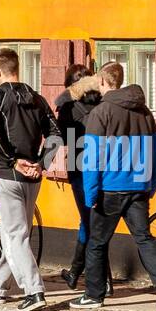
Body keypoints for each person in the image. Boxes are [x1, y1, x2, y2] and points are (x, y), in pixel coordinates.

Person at [69, 61, 156, 311]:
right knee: (144, 237)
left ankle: (94, 295)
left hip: (110, 188)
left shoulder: (101, 112)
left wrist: (90, 194)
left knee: (97, 242)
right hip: (138, 186)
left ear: (104, 82)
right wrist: (149, 185)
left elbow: (92, 157)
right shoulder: (144, 111)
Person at [0, 48, 62, 311]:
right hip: (33, 177)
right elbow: (56, 133)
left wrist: (14, 160)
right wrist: (42, 163)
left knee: (15, 235)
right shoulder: (36, 98)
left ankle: (34, 291)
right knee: (18, 234)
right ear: (18, 68)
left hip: (8, 174)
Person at [53, 63, 108, 293]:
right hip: (105, 167)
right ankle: (79, 273)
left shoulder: (67, 107)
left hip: (80, 167)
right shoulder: (104, 102)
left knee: (89, 221)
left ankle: (84, 275)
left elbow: (58, 139)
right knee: (96, 221)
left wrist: (40, 163)